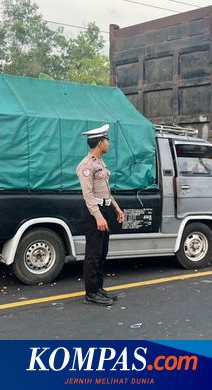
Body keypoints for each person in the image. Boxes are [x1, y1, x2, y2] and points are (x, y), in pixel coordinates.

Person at [76, 124, 124, 306]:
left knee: (102, 252)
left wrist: (116, 208)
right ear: (100, 143)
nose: (108, 143)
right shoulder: (86, 166)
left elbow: (105, 192)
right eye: (106, 140)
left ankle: (99, 288)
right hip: (93, 213)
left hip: (104, 210)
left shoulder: (100, 163)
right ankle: (91, 293)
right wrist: (98, 217)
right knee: (93, 254)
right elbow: (88, 196)